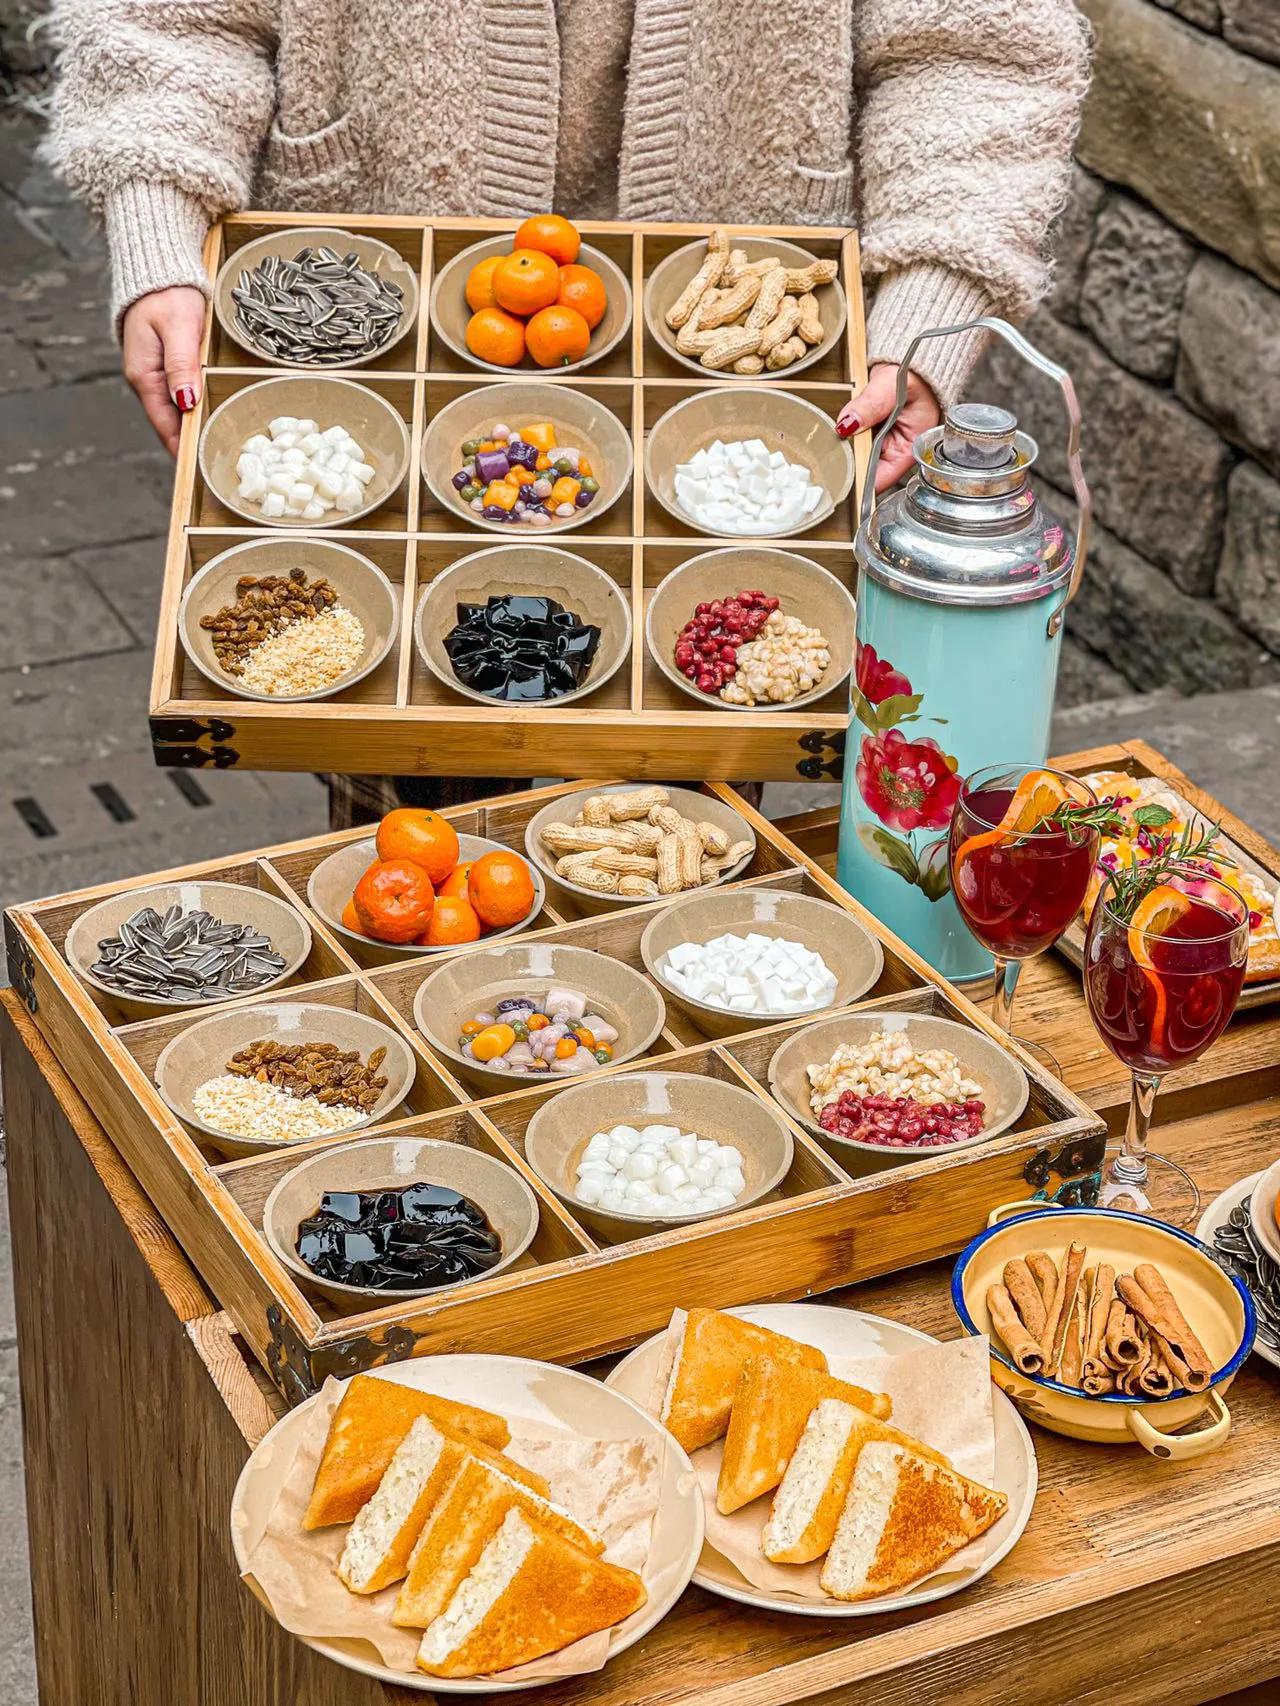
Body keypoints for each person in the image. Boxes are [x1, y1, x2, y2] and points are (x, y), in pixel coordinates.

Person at [44, 0, 1089, 825]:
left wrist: (925, 308)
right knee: (402, 816)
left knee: (687, 805)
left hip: (726, 379)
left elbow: (974, 48)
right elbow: (170, 18)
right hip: (405, 355)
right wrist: (158, 232)